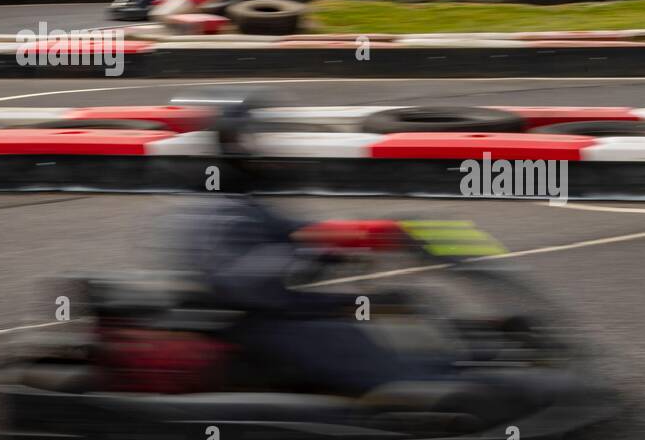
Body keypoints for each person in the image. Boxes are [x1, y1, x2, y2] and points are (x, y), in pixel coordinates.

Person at [166, 96, 452, 394]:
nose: (261, 151)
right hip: (256, 324)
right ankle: (416, 394)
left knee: (397, 302)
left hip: (279, 311)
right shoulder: (212, 212)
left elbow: (295, 232)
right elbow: (243, 282)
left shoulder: (241, 205)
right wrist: (312, 252)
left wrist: (374, 235)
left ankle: (439, 367)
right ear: (226, 147)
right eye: (249, 141)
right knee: (343, 338)